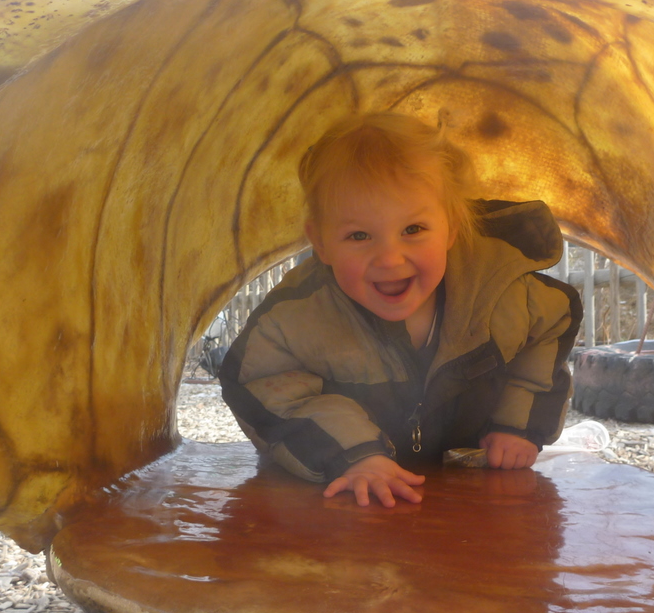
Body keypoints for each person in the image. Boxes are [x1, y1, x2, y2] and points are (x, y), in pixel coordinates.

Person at [218, 112, 581, 507]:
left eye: (413, 230)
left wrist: (516, 426)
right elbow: (264, 384)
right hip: (362, 504)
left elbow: (550, 326)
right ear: (321, 242)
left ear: (452, 228)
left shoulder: (502, 294)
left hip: (466, 496)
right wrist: (355, 454)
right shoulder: (297, 317)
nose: (389, 259)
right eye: (359, 235)